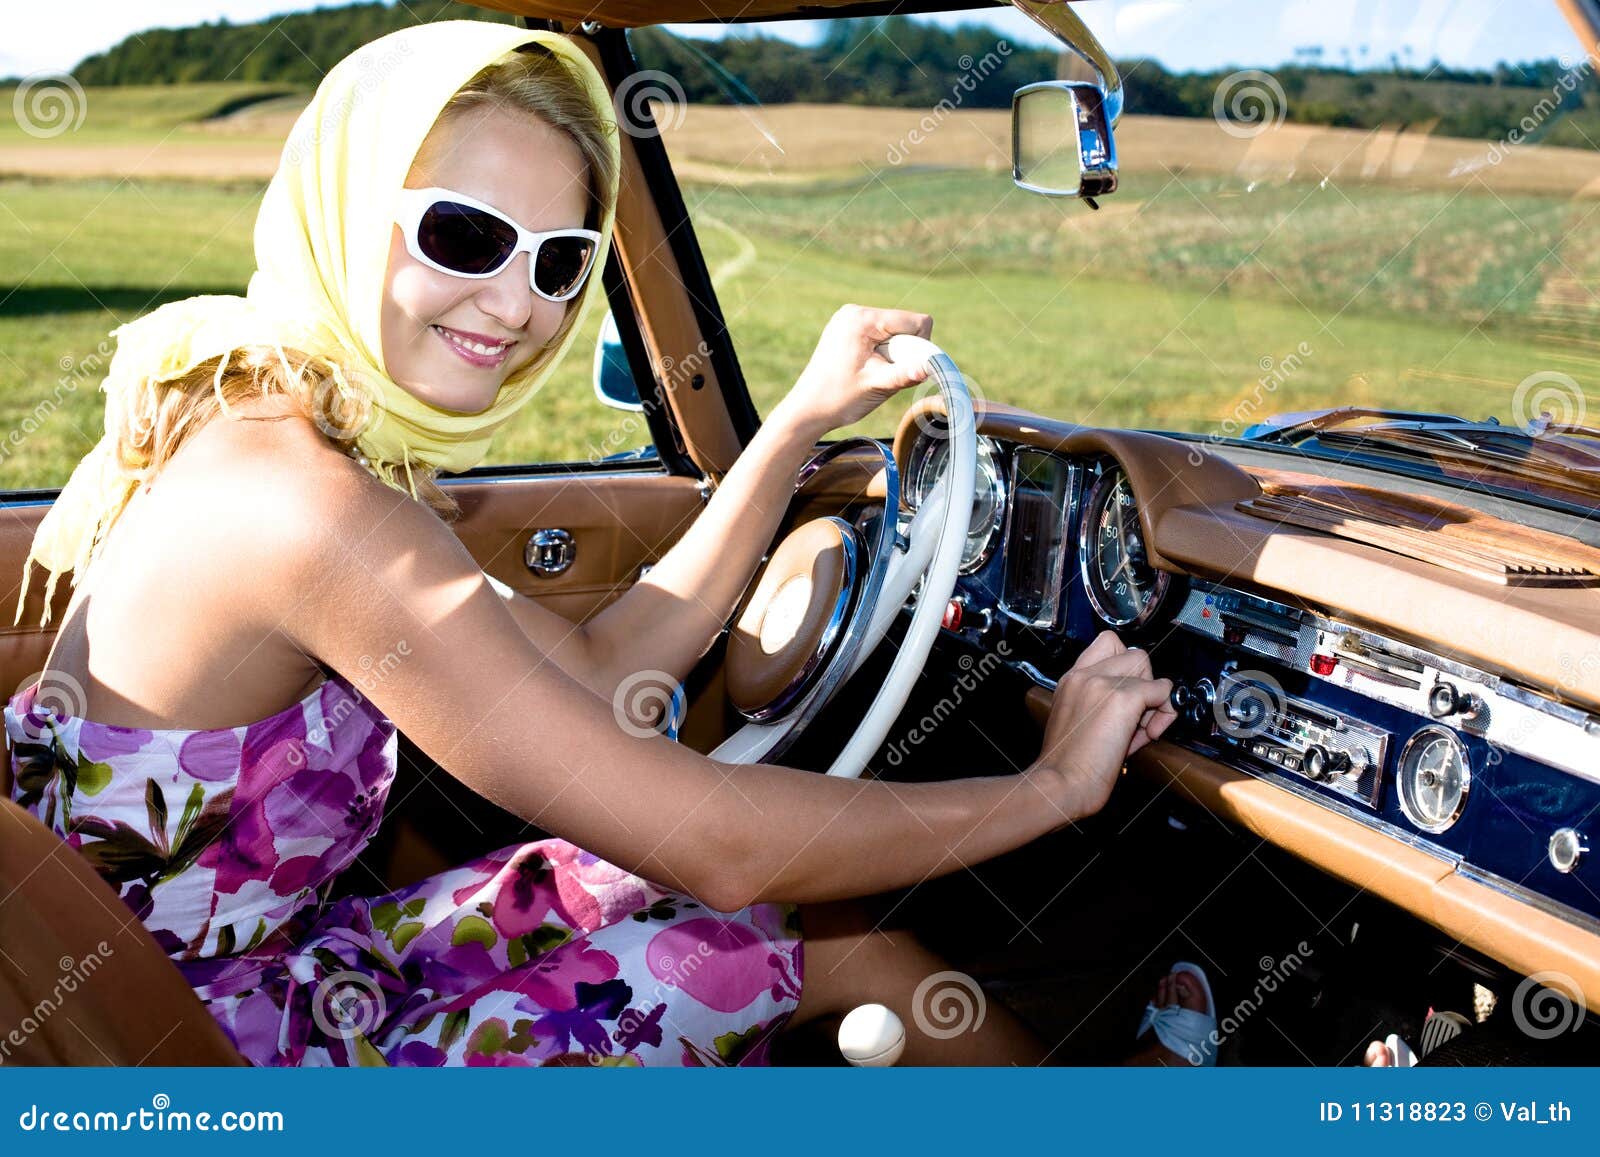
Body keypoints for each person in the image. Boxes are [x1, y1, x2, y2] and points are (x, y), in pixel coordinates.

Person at [3, 21, 1190, 1067]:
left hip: (227, 977)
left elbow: (603, 673)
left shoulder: (270, 430)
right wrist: (1051, 786)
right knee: (750, 932)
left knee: (778, 921)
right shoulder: (308, 511)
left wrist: (797, 424)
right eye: (462, 235)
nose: (519, 308)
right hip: (184, 1049)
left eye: (559, 260)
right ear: (342, 206)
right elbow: (720, 845)